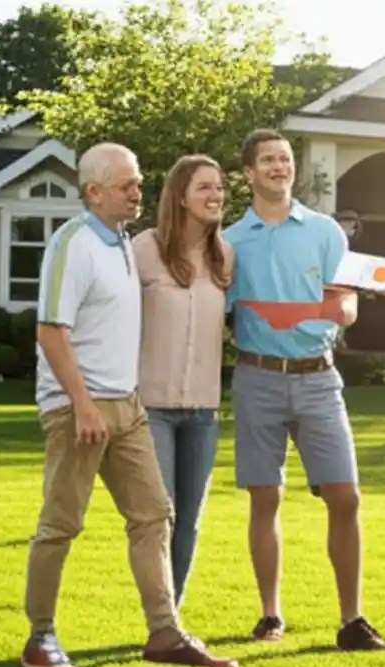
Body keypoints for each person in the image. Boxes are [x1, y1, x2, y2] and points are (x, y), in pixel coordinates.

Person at [20, 142, 237, 667]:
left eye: (138, 181)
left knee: (153, 516)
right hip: (80, 411)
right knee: (61, 524)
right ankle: (40, 638)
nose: (137, 190)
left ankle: (164, 632)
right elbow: (51, 331)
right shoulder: (74, 244)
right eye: (125, 184)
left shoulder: (120, 242)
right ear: (93, 191)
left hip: (128, 407)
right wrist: (83, 404)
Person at [224, 128, 385, 652]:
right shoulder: (228, 242)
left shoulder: (325, 232)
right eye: (268, 160)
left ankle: (352, 620)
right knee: (265, 498)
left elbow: (347, 306)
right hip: (256, 379)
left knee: (345, 497)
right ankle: (270, 615)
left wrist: (310, 313)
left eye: (285, 159)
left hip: (319, 378)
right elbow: (219, 312)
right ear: (249, 173)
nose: (280, 167)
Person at [132, 154, 234, 608]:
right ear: (180, 196)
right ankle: (160, 617)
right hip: (151, 407)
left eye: (219, 188)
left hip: (204, 410)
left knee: (189, 518)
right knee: (160, 515)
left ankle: (173, 616)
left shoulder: (224, 255)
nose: (216, 196)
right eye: (204, 188)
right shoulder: (144, 249)